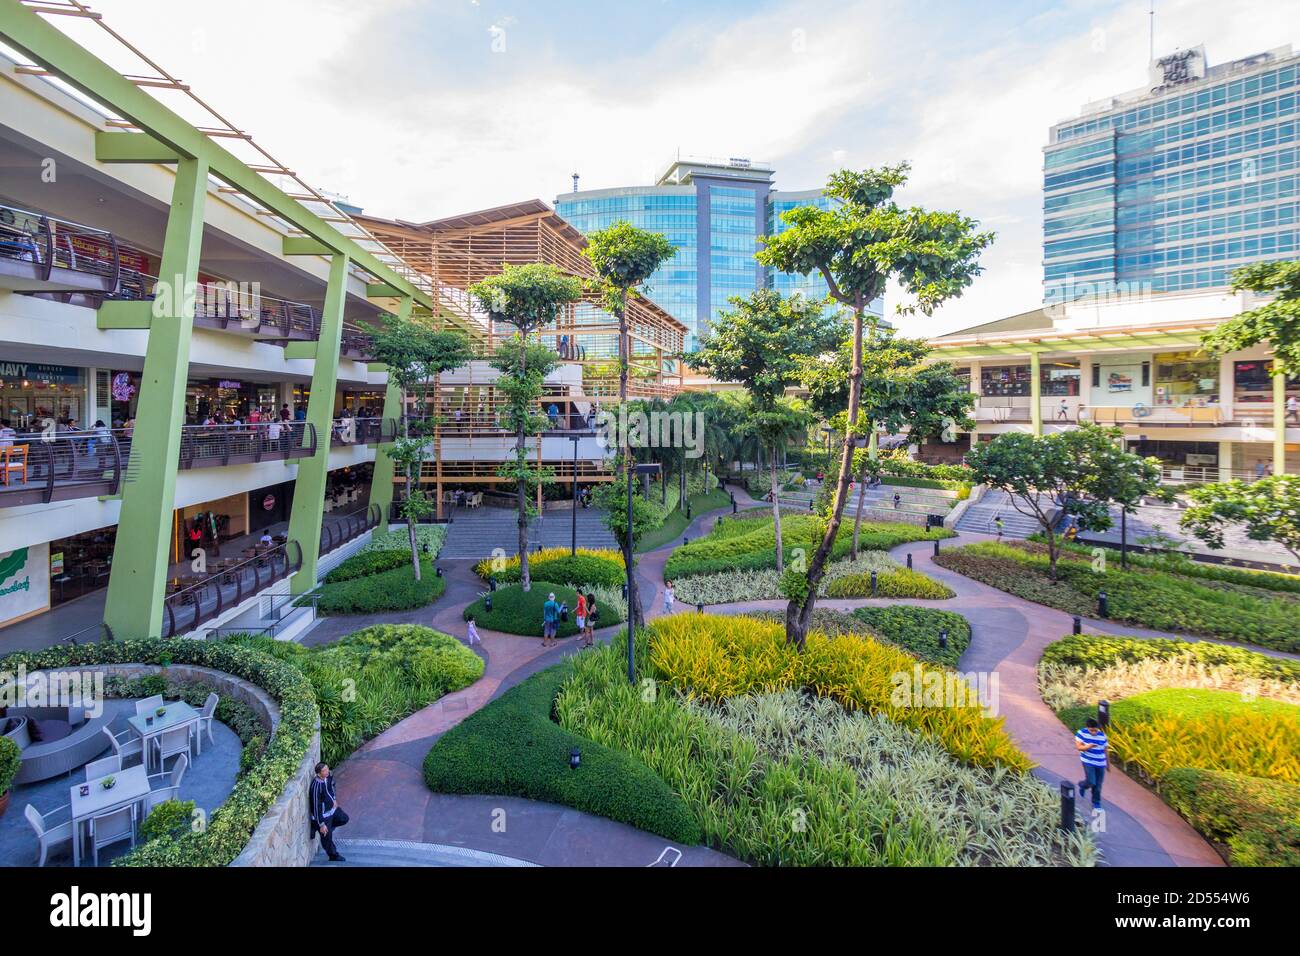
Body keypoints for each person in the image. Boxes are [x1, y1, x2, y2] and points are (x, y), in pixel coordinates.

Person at [309, 762, 348, 862]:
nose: (327, 771)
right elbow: (316, 807)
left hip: (332, 810)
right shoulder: (316, 786)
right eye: (324, 770)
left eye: (327, 769)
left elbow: (331, 788)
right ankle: (333, 855)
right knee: (327, 838)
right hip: (323, 816)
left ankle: (325, 827)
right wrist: (321, 824)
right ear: (318, 774)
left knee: (344, 818)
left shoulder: (328, 776)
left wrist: (334, 799)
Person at [1075, 717, 1108, 815]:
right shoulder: (1081, 733)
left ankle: (1096, 802)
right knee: (1091, 781)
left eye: (1095, 730)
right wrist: (1088, 746)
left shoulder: (1102, 736)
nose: (1094, 732)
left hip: (1101, 763)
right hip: (1088, 761)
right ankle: (1083, 785)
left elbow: (1105, 750)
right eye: (1091, 730)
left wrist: (1108, 764)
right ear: (1087, 727)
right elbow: (1079, 747)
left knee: (1098, 784)